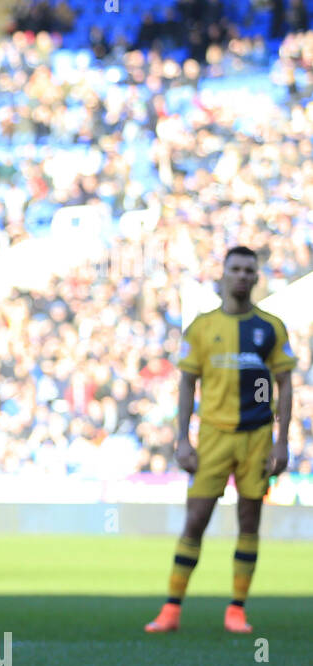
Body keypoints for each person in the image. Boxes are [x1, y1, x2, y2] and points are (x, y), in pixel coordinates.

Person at [146, 246, 297, 634]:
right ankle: (171, 609)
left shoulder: (270, 327)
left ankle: (236, 609)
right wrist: (182, 439)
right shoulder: (201, 327)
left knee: (249, 520)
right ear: (224, 274)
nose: (243, 276)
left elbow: (283, 383)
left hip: (257, 437)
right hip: (212, 437)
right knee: (195, 520)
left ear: (257, 277)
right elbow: (186, 383)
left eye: (249, 270)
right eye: (236, 269)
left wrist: (281, 442)